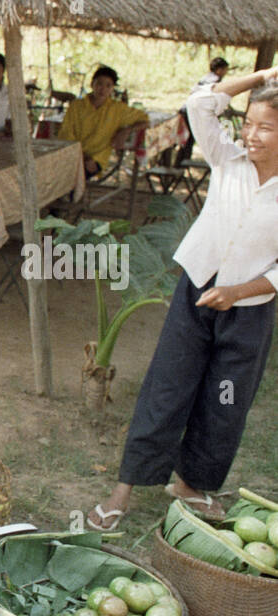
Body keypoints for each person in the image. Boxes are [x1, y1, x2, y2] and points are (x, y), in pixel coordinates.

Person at [88, 68, 278, 531]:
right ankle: (124, 489)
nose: (250, 135)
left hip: (249, 310)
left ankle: (191, 485)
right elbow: (200, 105)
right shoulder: (225, 157)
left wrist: (237, 292)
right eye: (247, 123)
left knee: (226, 400)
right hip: (196, 291)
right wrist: (264, 76)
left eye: (265, 127)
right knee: (167, 387)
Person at [57, 65, 149, 178]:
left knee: (74, 177)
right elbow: (66, 134)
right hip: (72, 154)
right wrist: (82, 156)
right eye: (99, 84)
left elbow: (145, 120)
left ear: (112, 89)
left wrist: (127, 130)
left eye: (108, 86)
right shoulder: (76, 106)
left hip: (97, 159)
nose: (103, 89)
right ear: (92, 84)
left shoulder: (117, 109)